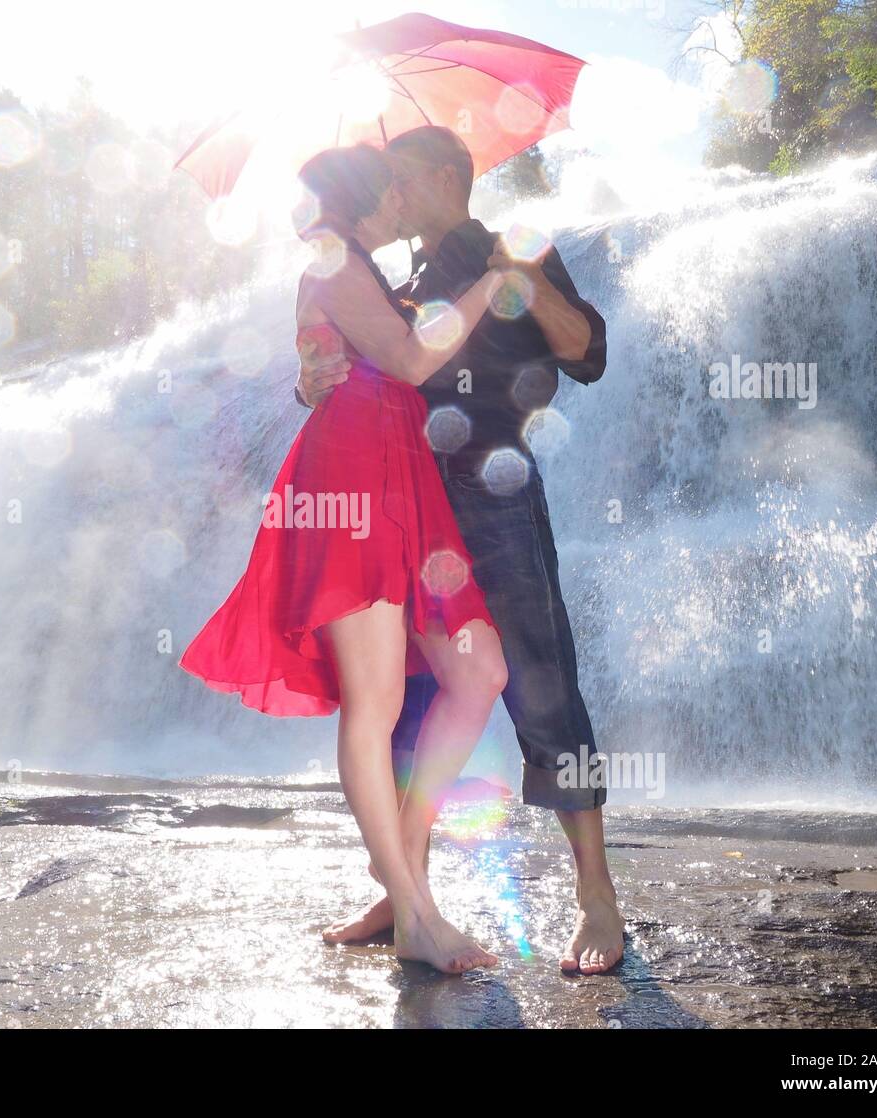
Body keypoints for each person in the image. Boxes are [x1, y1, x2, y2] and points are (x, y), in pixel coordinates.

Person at [181, 143, 541, 974]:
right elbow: (413, 361)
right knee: (374, 703)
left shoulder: (348, 269)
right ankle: (415, 914)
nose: (403, 202)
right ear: (366, 200)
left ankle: (404, 861)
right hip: (351, 478)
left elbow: (338, 366)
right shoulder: (337, 263)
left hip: (398, 472)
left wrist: (316, 375)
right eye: (393, 191)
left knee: (477, 670)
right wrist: (497, 280)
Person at [297, 126, 626, 976]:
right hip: (402, 502)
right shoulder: (390, 277)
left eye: (403, 181)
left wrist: (521, 282)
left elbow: (585, 350)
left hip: (493, 490)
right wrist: (310, 377)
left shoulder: (512, 247)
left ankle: (597, 893)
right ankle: (408, 893)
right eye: (386, 187)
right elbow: (360, 366)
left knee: (542, 682)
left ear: (448, 176)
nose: (394, 198)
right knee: (410, 701)